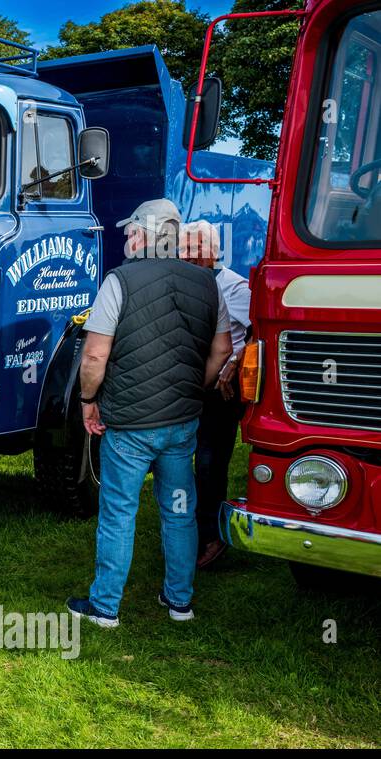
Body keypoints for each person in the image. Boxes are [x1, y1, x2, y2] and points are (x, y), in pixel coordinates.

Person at [68, 199, 233, 627]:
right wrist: (194, 388)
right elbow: (222, 350)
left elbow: (94, 356)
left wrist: (89, 401)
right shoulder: (209, 282)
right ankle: (180, 602)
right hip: (181, 422)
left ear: (144, 233)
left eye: (129, 231)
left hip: (129, 425)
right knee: (179, 509)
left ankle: (105, 607)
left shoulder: (120, 280)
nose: (125, 238)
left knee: (119, 511)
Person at [182, 220, 251, 569]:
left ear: (213, 251)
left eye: (197, 250)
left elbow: (259, 333)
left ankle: (211, 537)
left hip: (220, 392)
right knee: (182, 460)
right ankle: (185, 531)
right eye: (185, 250)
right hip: (188, 386)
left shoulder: (235, 287)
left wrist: (236, 361)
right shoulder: (183, 283)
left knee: (209, 463)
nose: (190, 256)